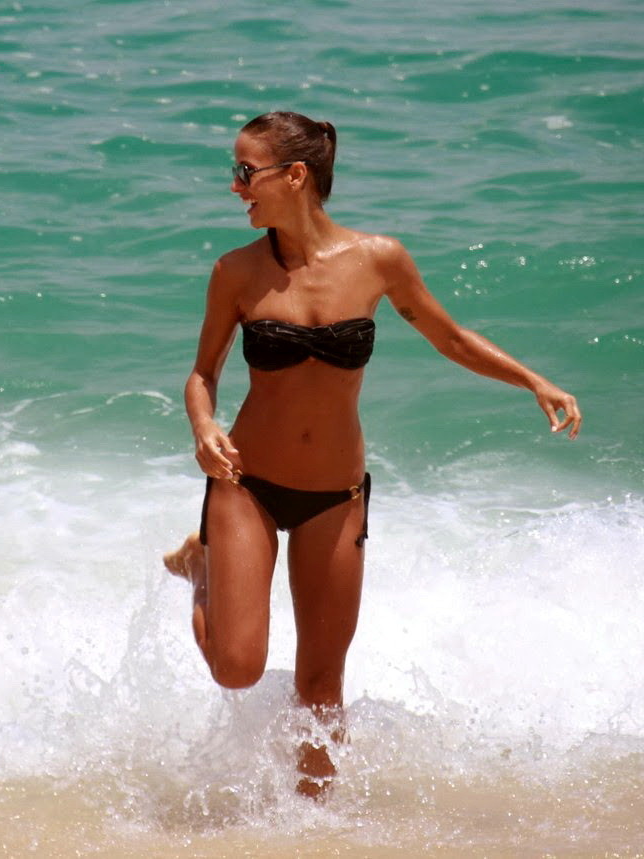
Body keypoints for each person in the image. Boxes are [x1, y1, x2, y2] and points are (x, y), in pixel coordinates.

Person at [163, 111, 581, 797]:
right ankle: (201, 566)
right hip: (248, 483)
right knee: (237, 667)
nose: (235, 187)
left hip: (336, 492)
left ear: (294, 175)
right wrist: (202, 424)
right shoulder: (235, 272)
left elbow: (451, 337)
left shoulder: (379, 259)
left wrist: (533, 379)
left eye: (245, 172)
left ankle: (313, 829)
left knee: (321, 685)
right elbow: (202, 372)